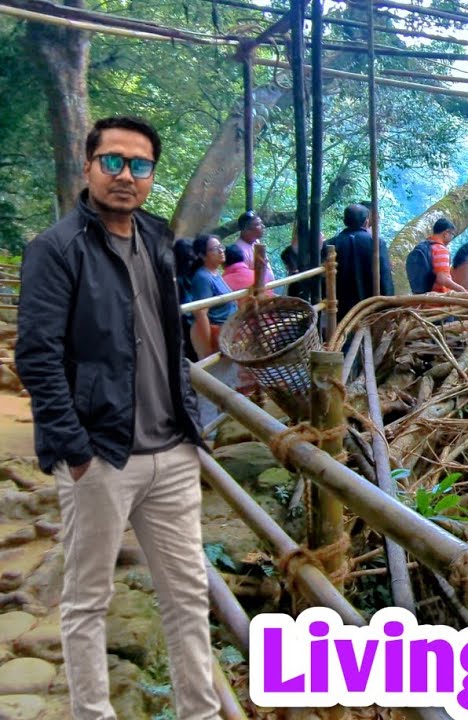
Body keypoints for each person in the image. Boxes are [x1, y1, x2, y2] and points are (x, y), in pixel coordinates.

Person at [15, 116, 219, 720]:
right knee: (86, 601)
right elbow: (38, 356)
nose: (126, 175)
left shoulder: (155, 239)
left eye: (140, 165)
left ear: (152, 175)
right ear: (88, 167)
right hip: (101, 455)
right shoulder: (56, 250)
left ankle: (201, 713)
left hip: (172, 452)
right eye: (113, 161)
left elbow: (167, 337)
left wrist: (190, 420)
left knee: (189, 595)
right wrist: (75, 450)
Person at [324, 203, 395, 322]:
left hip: (340, 305)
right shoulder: (377, 243)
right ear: (366, 222)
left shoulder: (330, 244)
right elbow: (385, 276)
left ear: (344, 221)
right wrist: (389, 303)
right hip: (370, 304)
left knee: (342, 336)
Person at [186, 234, 237, 359]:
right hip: (217, 336)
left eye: (221, 246)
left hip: (229, 333)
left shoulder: (215, 273)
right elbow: (200, 313)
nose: (221, 251)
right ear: (202, 255)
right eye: (214, 249)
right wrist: (207, 348)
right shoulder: (203, 278)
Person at [407, 217, 465, 293]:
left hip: (421, 297)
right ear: (446, 233)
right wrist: (461, 289)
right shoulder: (441, 250)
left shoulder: (424, 247)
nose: (451, 238)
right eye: (452, 235)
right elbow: (442, 279)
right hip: (437, 299)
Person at [234, 209, 275, 293]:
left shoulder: (256, 242)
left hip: (266, 291)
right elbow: (245, 279)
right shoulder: (239, 251)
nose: (263, 226)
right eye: (258, 224)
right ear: (246, 229)